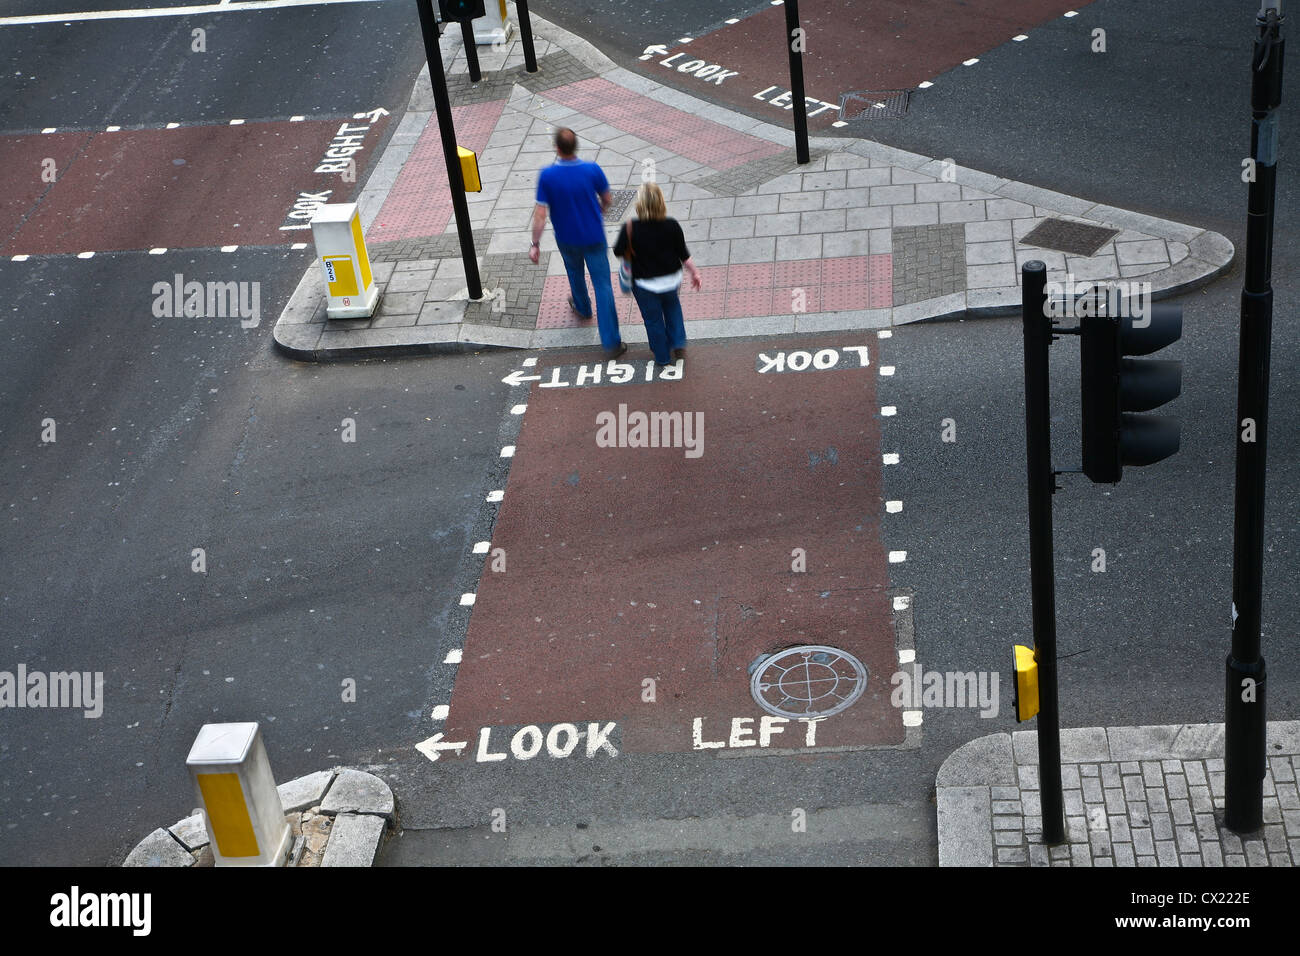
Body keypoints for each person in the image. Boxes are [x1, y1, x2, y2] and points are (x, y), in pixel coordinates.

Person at [529, 128, 625, 357]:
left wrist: (535, 244)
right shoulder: (592, 169)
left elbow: (540, 215)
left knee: (574, 273)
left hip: (566, 238)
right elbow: (608, 199)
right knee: (603, 285)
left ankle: (583, 307)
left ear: (557, 148)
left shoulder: (547, 176)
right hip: (593, 236)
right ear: (576, 146)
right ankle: (612, 341)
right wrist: (599, 211)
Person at [612, 182, 702, 366]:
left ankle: (662, 356)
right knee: (673, 308)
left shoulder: (631, 228)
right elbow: (684, 254)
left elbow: (618, 252)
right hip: (671, 281)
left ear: (640, 205)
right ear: (661, 203)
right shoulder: (672, 225)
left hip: (645, 284)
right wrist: (695, 273)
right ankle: (678, 343)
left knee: (653, 320)